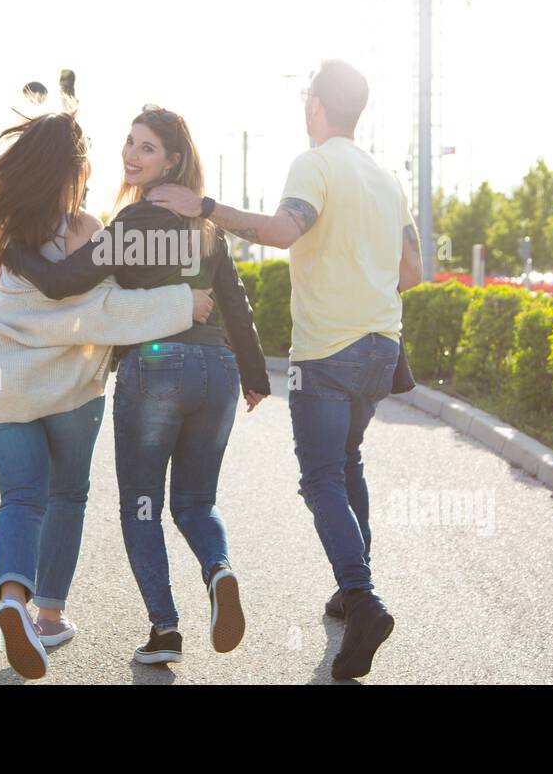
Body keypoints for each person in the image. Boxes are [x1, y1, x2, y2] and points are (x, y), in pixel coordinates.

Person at [148, 59, 423, 680]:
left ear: (318, 105)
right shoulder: (387, 177)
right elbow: (412, 272)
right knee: (348, 464)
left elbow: (280, 231)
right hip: (383, 346)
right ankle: (350, 591)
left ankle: (362, 598)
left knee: (321, 477)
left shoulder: (316, 163)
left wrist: (207, 206)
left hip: (327, 351)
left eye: (307, 98)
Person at [3, 104, 270, 665]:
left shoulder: (130, 225)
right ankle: (219, 571)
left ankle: (166, 629)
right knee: (197, 502)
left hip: (155, 367)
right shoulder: (207, 226)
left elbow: (59, 283)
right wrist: (253, 375)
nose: (131, 154)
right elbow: (235, 303)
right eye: (130, 143)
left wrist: (11, 243)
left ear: (172, 160)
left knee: (142, 505)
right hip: (217, 370)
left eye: (147, 148)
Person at [0, 110, 214, 680]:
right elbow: (102, 312)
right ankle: (49, 618)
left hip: (1, 390)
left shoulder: (6, 237)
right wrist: (182, 304)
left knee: (20, 498)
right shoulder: (85, 229)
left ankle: (11, 601)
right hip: (71, 393)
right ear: (75, 171)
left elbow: (35, 305)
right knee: (67, 494)